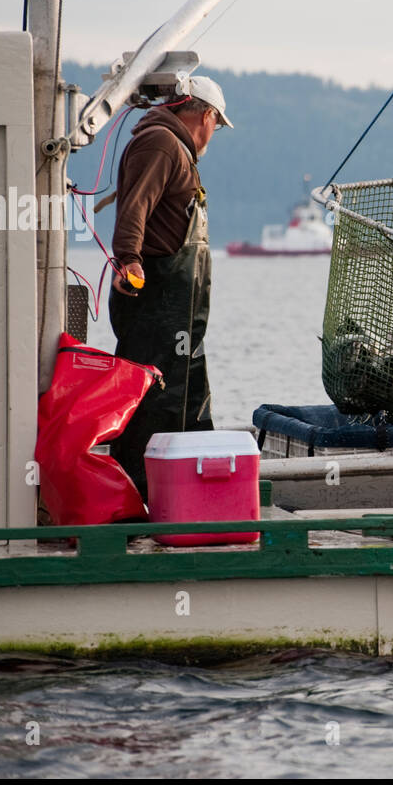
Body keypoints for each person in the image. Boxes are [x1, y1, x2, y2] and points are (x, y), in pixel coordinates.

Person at [108, 75, 232, 502]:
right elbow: (135, 205)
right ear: (206, 115)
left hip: (183, 315)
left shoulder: (174, 147)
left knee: (187, 400)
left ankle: (193, 495)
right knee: (152, 402)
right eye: (216, 125)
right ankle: (141, 497)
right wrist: (129, 259)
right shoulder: (161, 142)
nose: (213, 135)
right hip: (158, 302)